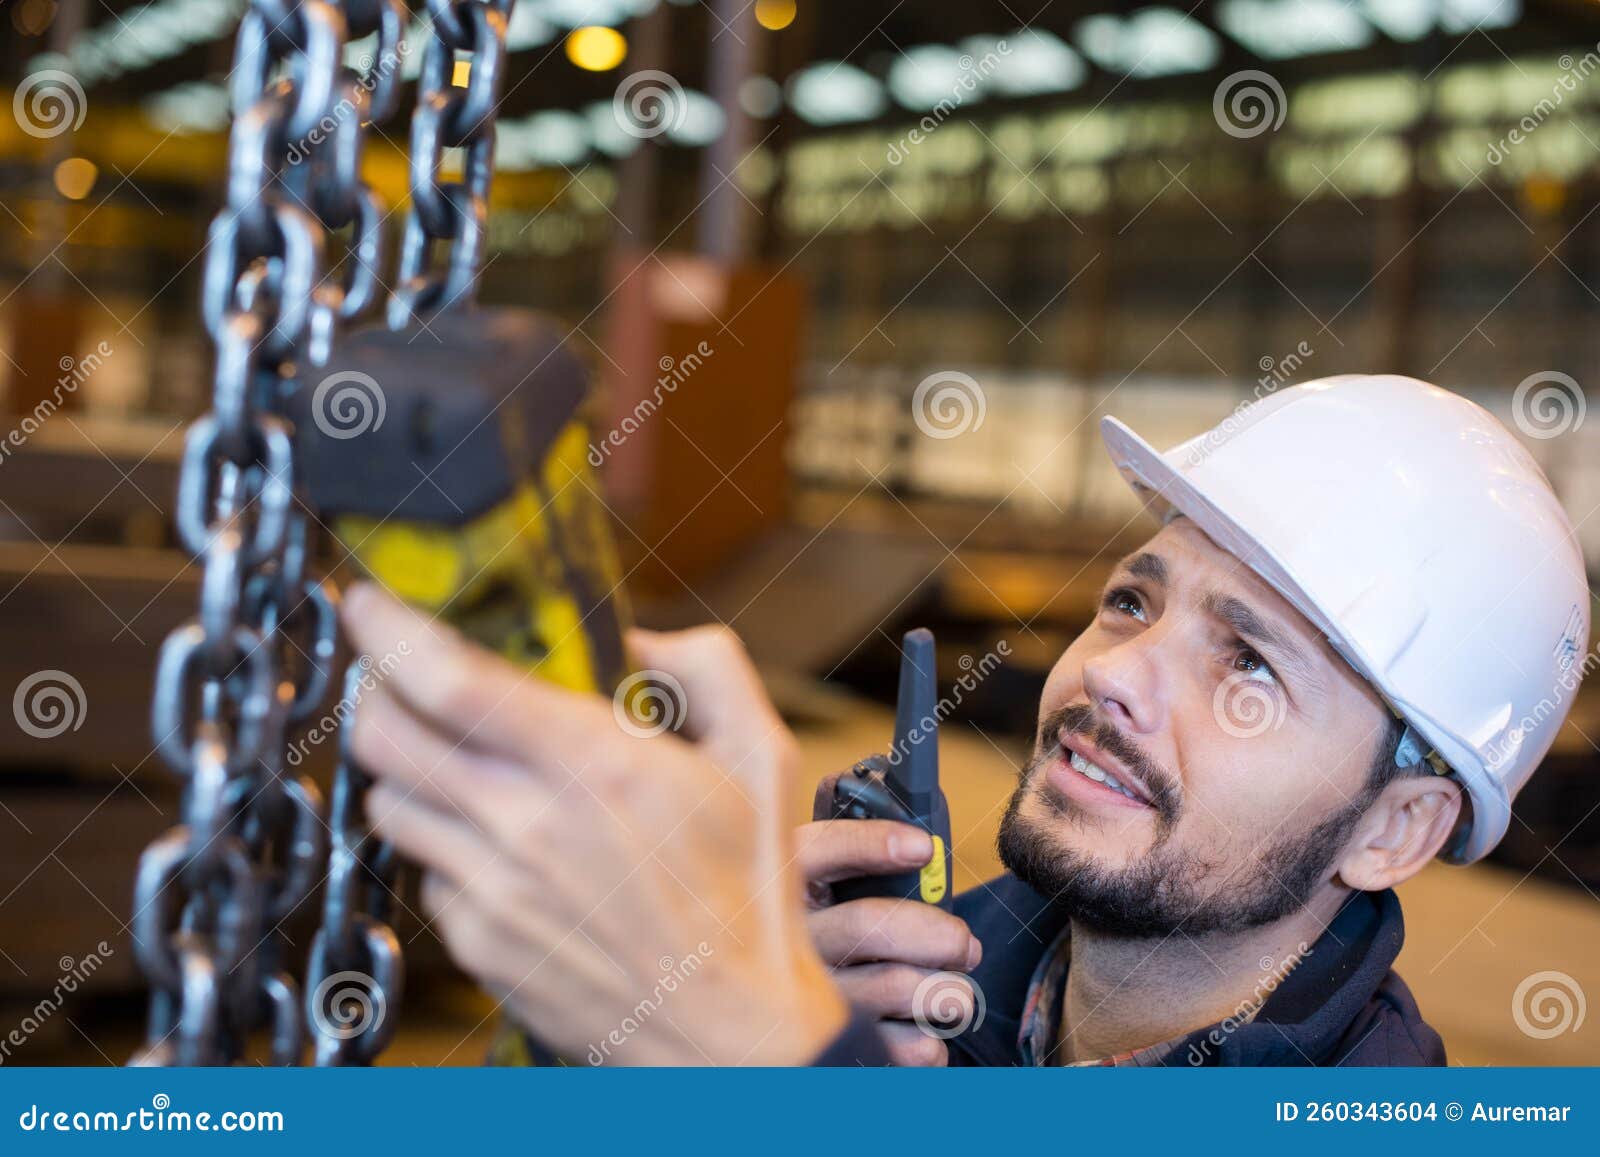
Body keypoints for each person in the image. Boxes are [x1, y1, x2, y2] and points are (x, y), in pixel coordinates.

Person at [341, 375, 1589, 1066]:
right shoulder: (933, 976)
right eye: (1130, 601)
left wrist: (763, 1054)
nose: (1116, 674)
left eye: (1246, 667)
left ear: (1396, 825)